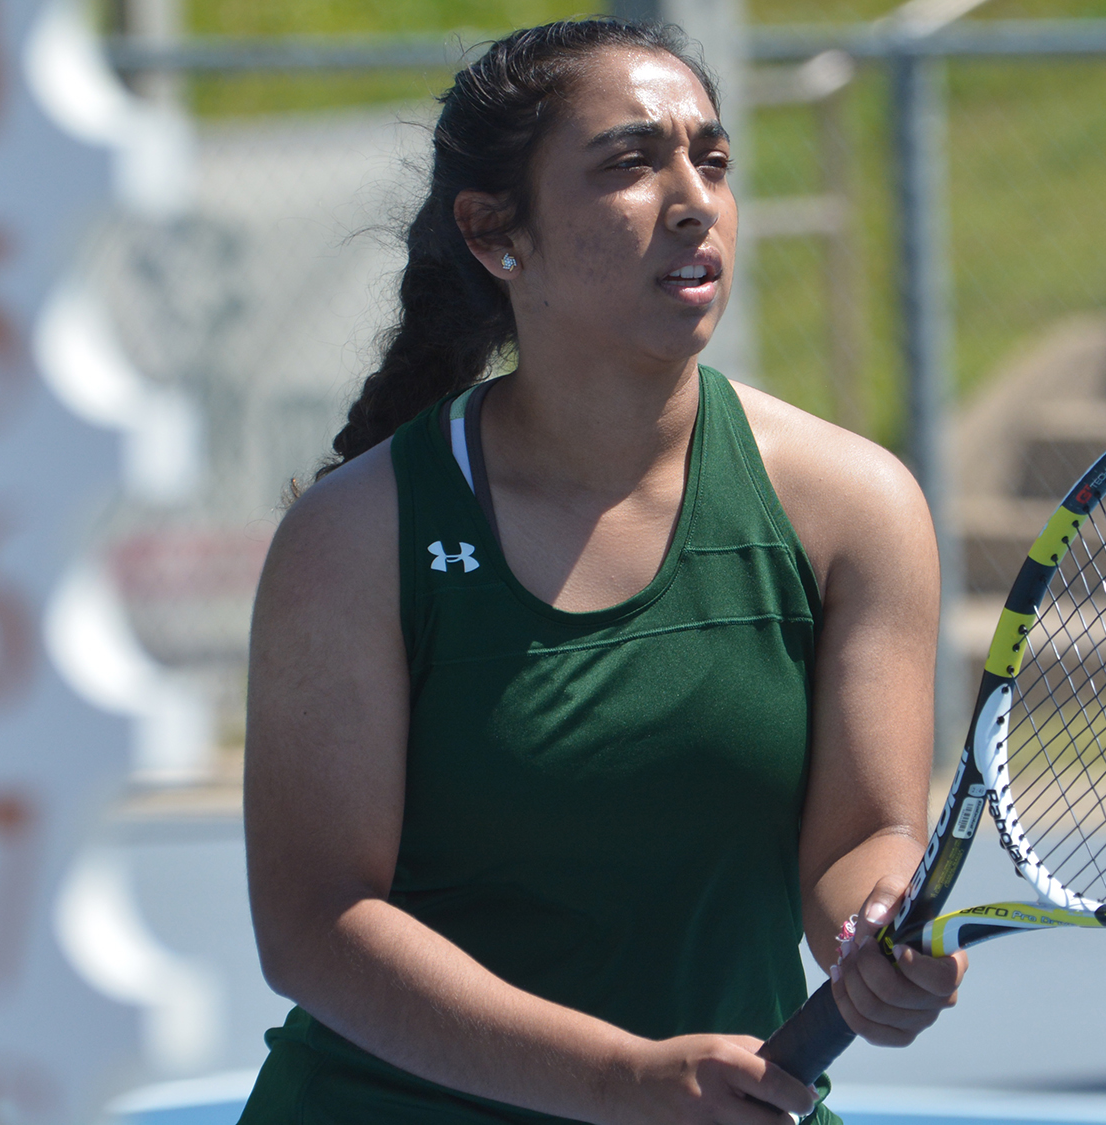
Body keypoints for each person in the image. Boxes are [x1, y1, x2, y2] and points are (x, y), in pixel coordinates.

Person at [239, 19, 966, 1125]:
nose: (692, 199)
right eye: (630, 162)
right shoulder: (354, 537)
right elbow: (316, 923)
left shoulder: (854, 507)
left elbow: (863, 836)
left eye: (710, 160)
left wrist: (873, 931)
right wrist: (616, 1081)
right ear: (493, 234)